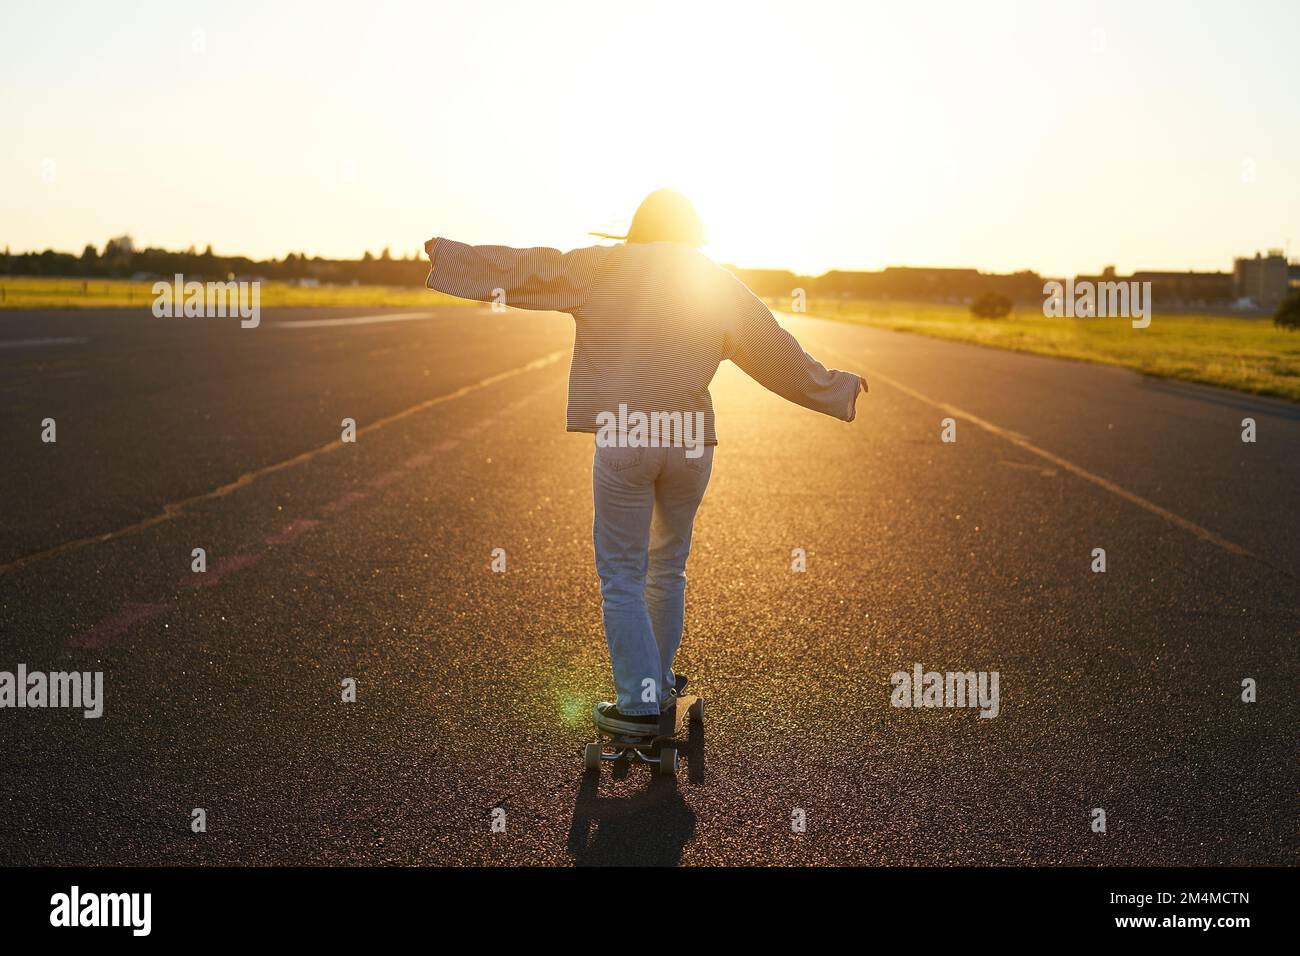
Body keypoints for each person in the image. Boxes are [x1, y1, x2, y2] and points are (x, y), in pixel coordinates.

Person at [424, 189, 866, 737]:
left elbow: (523, 270)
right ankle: (657, 681)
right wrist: (835, 389)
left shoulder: (600, 266)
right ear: (693, 230)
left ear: (638, 226)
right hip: (689, 441)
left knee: (622, 575)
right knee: (667, 566)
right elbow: (774, 352)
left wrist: (452, 257)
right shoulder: (715, 281)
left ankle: (638, 701)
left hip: (626, 434)